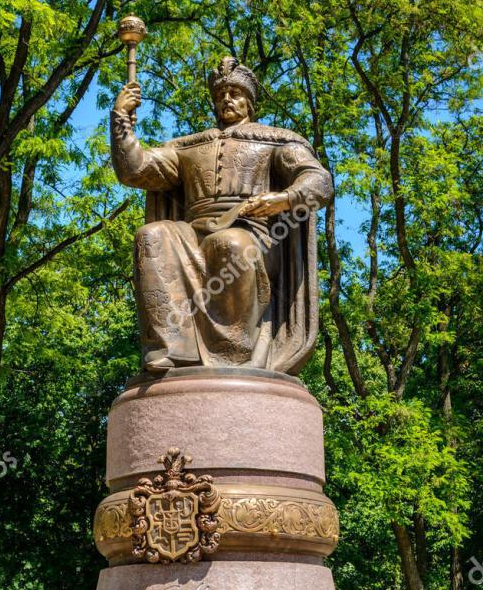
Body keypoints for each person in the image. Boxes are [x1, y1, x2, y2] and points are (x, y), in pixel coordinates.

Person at [110, 56, 332, 374]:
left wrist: (284, 199)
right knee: (152, 235)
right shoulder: (189, 146)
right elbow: (134, 170)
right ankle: (173, 347)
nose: (227, 99)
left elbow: (319, 181)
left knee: (228, 242)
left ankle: (234, 354)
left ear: (250, 101)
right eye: (220, 95)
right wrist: (121, 118)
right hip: (194, 234)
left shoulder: (276, 141)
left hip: (254, 236)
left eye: (235, 93)